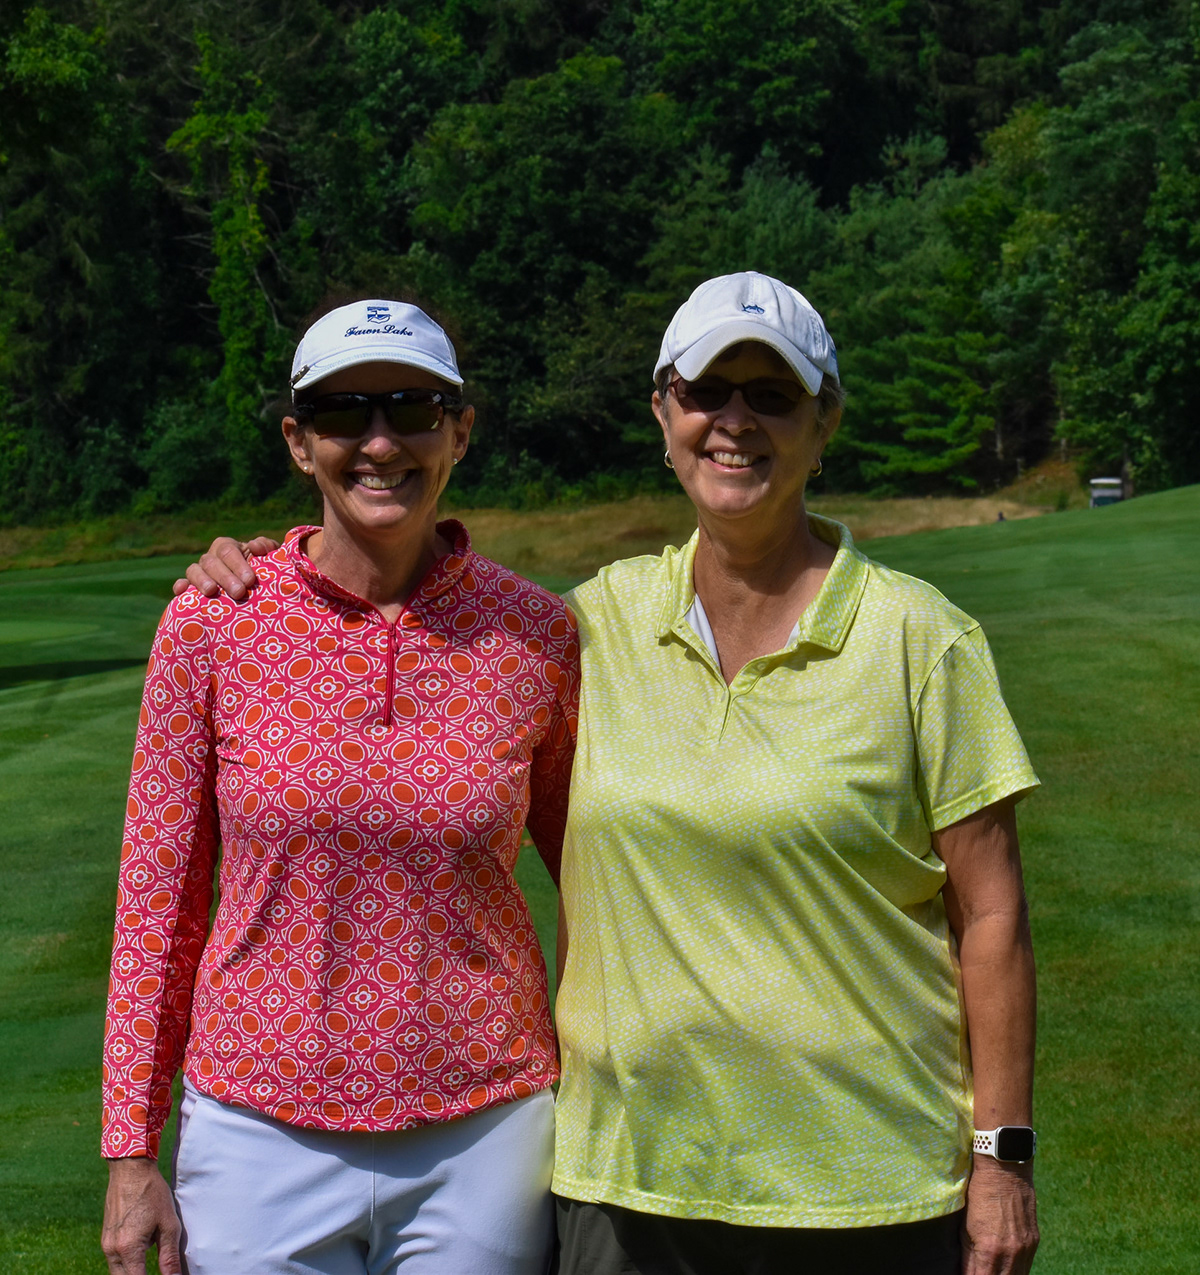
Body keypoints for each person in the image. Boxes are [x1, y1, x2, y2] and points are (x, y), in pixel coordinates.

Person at [182, 272, 1041, 1274]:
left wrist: (1003, 1156)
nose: (735, 421)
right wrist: (272, 571)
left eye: (772, 395)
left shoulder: (922, 639)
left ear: (824, 422)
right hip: (631, 1180)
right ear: (665, 413)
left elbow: (993, 916)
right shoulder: (589, 627)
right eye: (706, 392)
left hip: (868, 1183)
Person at [101, 298, 579, 1275]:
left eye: (412, 408)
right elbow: (158, 898)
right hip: (255, 1125)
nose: (380, 441)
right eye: (343, 413)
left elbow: (601, 879)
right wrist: (130, 1149)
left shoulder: (534, 635)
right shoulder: (213, 622)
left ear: (459, 431)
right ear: (298, 441)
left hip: (485, 1125)